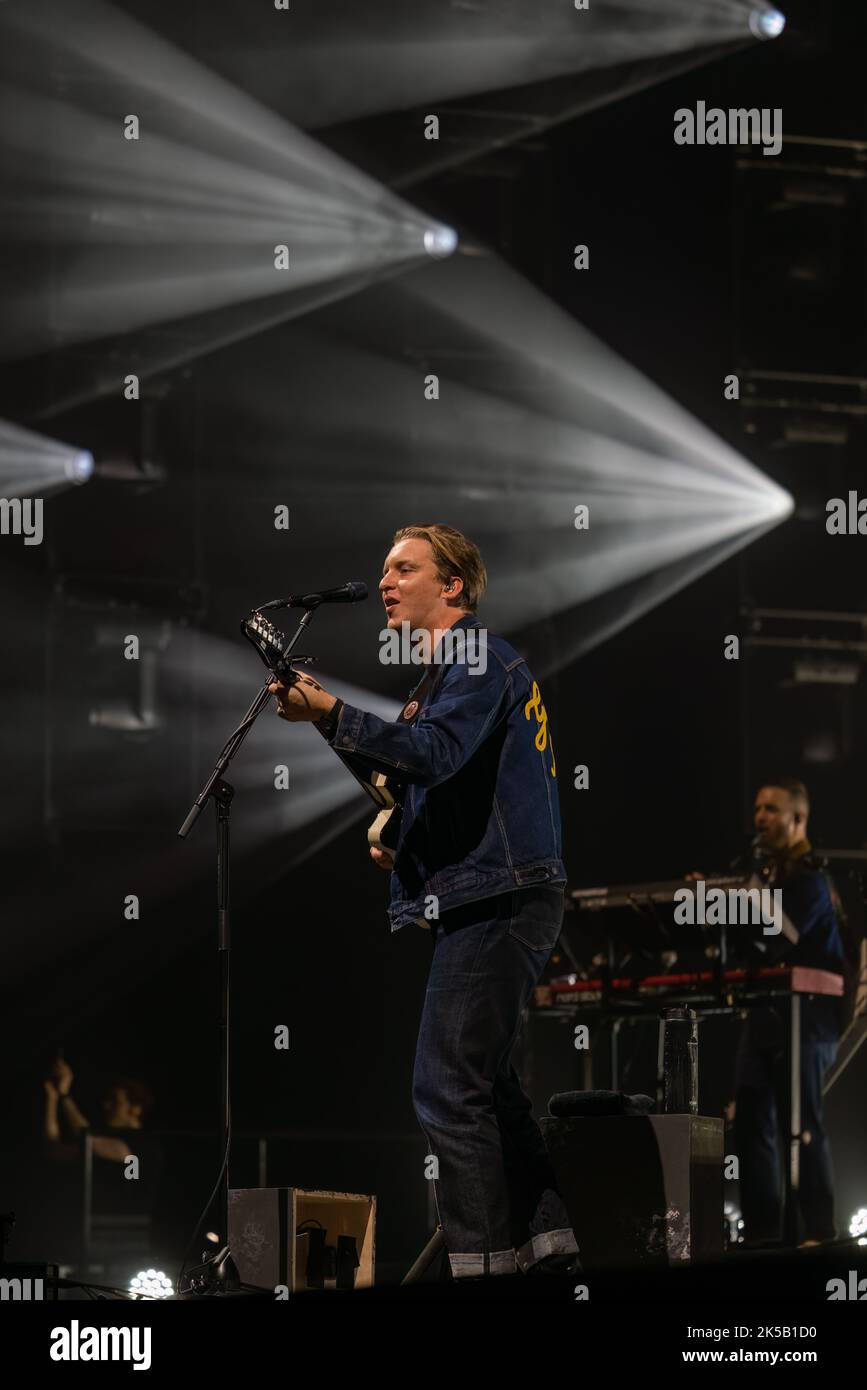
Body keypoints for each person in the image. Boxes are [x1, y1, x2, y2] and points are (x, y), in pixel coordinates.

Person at [270, 522, 578, 1279]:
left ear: (452, 586)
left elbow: (433, 755)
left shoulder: (473, 656)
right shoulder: (445, 679)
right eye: (382, 570)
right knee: (487, 1083)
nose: (383, 582)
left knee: (444, 1086)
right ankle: (549, 1252)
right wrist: (399, 830)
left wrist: (332, 713)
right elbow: (433, 778)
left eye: (403, 568)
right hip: (493, 894)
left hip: (499, 898)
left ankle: (481, 1267)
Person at [730, 780, 847, 1246]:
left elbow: (784, 934)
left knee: (802, 1124)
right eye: (757, 807)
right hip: (763, 1019)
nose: (759, 816)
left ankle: (818, 1232)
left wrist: (742, 895)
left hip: (809, 1019)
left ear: (798, 820)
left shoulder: (814, 879)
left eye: (771, 809)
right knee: (751, 1122)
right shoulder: (762, 873)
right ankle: (762, 1235)